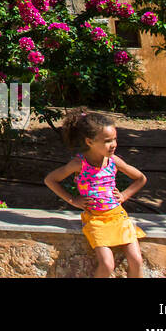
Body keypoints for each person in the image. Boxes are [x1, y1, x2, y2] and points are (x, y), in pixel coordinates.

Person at [44, 108, 147, 277]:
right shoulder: (79, 164)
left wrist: (124, 195)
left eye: (115, 139)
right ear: (89, 142)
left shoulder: (113, 161)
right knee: (107, 264)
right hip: (95, 220)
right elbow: (50, 179)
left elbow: (140, 178)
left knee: (136, 260)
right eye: (107, 140)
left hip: (118, 217)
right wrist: (72, 200)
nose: (113, 144)